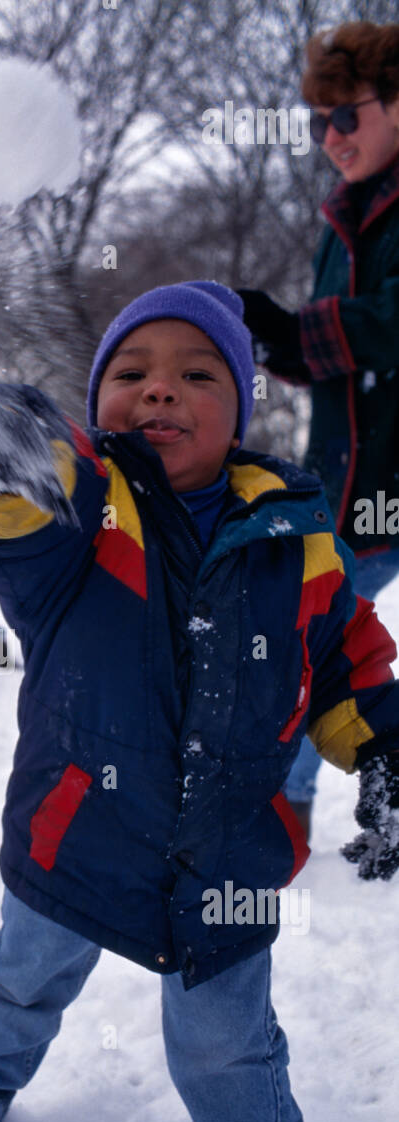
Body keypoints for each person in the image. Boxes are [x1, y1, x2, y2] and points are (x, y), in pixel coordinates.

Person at [0, 282, 399, 1122]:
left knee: (228, 1049)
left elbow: (347, 664)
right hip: (73, 836)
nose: (159, 390)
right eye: (131, 373)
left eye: (195, 374)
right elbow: (12, 498)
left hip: (226, 856)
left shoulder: (299, 538)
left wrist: (382, 750)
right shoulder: (83, 511)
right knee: (16, 983)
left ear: (241, 408)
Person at [238, 20, 399, 839]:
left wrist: (300, 330)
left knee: (313, 644)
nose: (330, 138)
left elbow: (388, 325)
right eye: (319, 121)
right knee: (315, 640)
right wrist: (272, 335)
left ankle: (292, 810)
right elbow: (339, 348)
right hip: (352, 480)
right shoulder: (345, 218)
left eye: (347, 116)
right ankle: (290, 811)